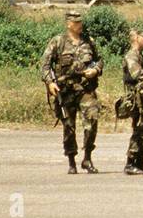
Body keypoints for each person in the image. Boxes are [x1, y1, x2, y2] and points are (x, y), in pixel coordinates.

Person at [40, 9, 103, 174]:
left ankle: (87, 158)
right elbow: (45, 64)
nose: (79, 25)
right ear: (69, 24)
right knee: (69, 126)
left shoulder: (88, 41)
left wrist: (95, 70)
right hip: (65, 90)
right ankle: (71, 160)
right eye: (76, 23)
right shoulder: (58, 42)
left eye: (80, 22)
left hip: (85, 88)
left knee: (92, 120)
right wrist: (50, 82)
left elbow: (99, 59)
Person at [121, 28, 143, 175]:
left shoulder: (141, 56)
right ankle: (130, 162)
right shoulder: (131, 56)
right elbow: (139, 75)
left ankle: (140, 161)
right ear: (136, 38)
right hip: (137, 99)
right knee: (140, 130)